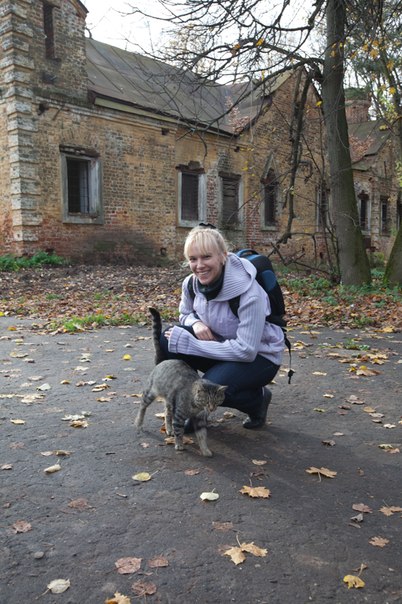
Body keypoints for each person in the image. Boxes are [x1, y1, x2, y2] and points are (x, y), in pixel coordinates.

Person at [160, 225, 285, 429]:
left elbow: (246, 351)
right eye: (193, 259)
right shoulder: (191, 284)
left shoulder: (249, 294)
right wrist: (196, 323)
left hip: (259, 357)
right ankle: (189, 407)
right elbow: (185, 314)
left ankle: (258, 401)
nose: (199, 266)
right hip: (220, 345)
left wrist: (192, 345)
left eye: (206, 257)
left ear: (223, 256)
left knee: (210, 389)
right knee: (168, 337)